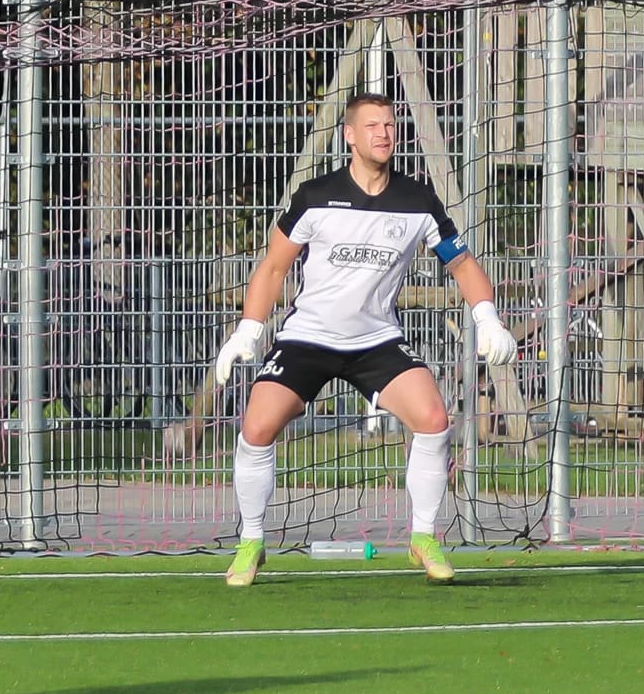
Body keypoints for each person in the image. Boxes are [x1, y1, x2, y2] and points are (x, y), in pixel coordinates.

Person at [211, 92, 517, 587]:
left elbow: (460, 263)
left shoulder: (417, 200)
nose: (384, 133)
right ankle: (250, 541)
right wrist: (249, 329)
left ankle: (423, 538)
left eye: (391, 125)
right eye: (373, 125)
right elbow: (272, 267)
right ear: (349, 135)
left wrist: (487, 318)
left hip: (376, 341)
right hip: (308, 339)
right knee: (257, 427)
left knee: (434, 418)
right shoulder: (314, 196)